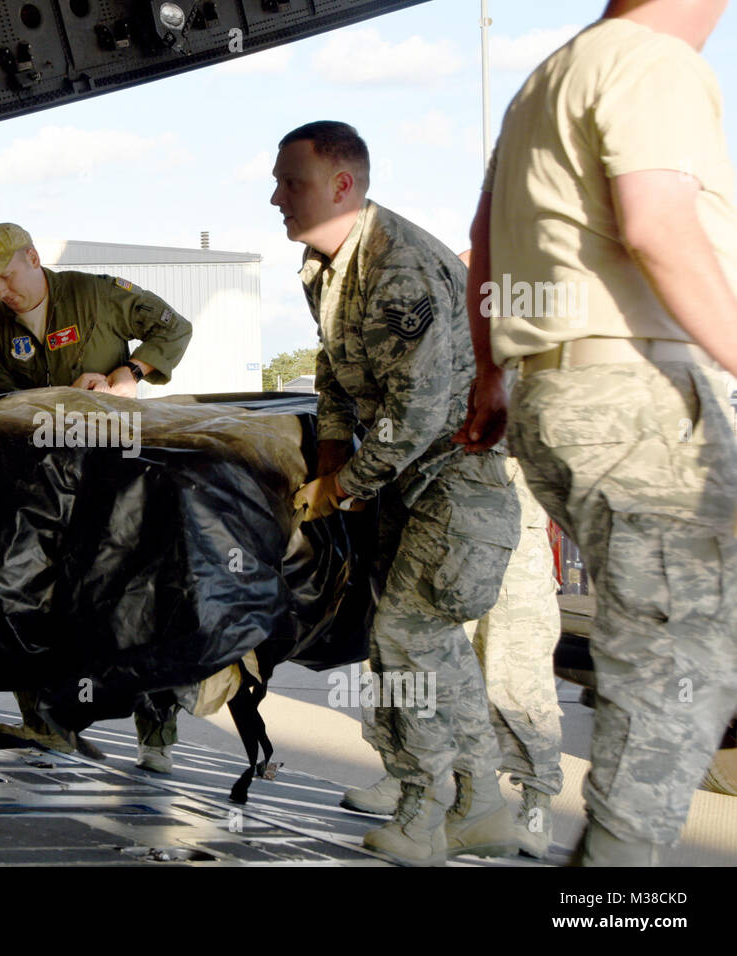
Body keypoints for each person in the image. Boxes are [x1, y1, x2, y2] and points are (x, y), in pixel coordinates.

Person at [457, 0, 737, 865]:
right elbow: (656, 222)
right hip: (635, 389)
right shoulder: (651, 61)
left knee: (647, 640)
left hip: (554, 392)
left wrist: (494, 379)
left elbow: (483, 246)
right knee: (673, 661)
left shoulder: (545, 81)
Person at [272, 121, 521, 865]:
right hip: (404, 489)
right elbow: (336, 375)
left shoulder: (397, 269)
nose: (276, 196)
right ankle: (480, 806)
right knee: (431, 647)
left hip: (453, 481)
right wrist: (328, 460)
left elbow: (415, 414)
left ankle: (424, 816)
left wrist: (338, 487)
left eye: (292, 182)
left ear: (342, 186)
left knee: (406, 639)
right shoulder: (328, 269)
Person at [342, 251, 566, 860]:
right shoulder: (435, 319)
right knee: (418, 651)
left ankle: (533, 802)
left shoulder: (532, 331)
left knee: (513, 661)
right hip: (440, 497)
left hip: (509, 498)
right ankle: (417, 776)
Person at [0, 222, 194, 772]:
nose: (3, 290)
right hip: (41, 480)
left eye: (8, 275)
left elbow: (175, 327)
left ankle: (156, 736)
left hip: (116, 468)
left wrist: (129, 372)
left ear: (34, 257)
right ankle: (47, 723)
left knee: (136, 593)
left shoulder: (96, 294)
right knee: (32, 594)